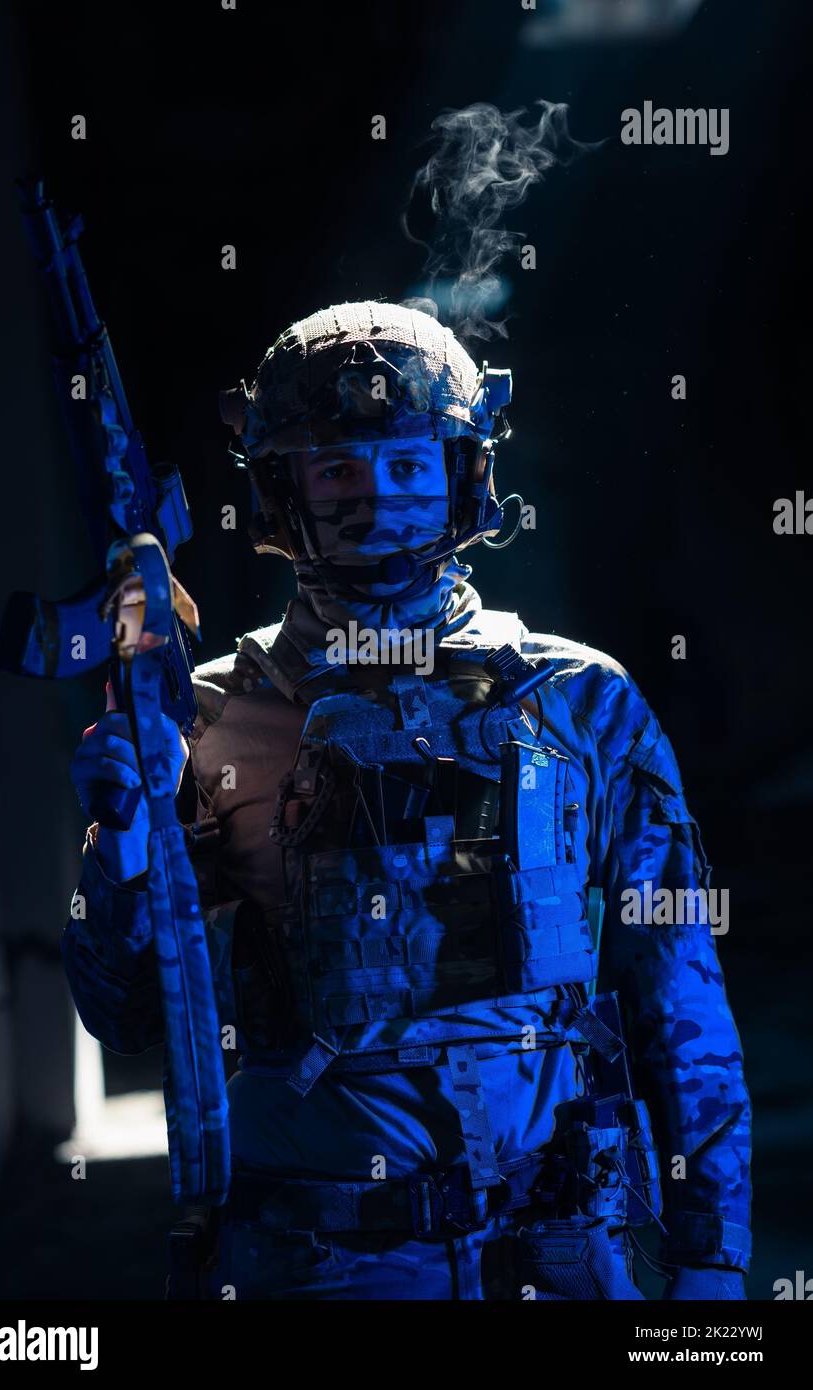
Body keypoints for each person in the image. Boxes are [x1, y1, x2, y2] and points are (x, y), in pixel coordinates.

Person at [64, 300, 752, 1300]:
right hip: (315, 1264)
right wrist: (119, 842)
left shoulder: (578, 701)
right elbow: (124, 1014)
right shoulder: (203, 716)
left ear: (461, 474)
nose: (374, 497)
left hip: (554, 1258)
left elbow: (678, 990)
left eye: (405, 465)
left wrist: (710, 1252)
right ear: (279, 487)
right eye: (337, 467)